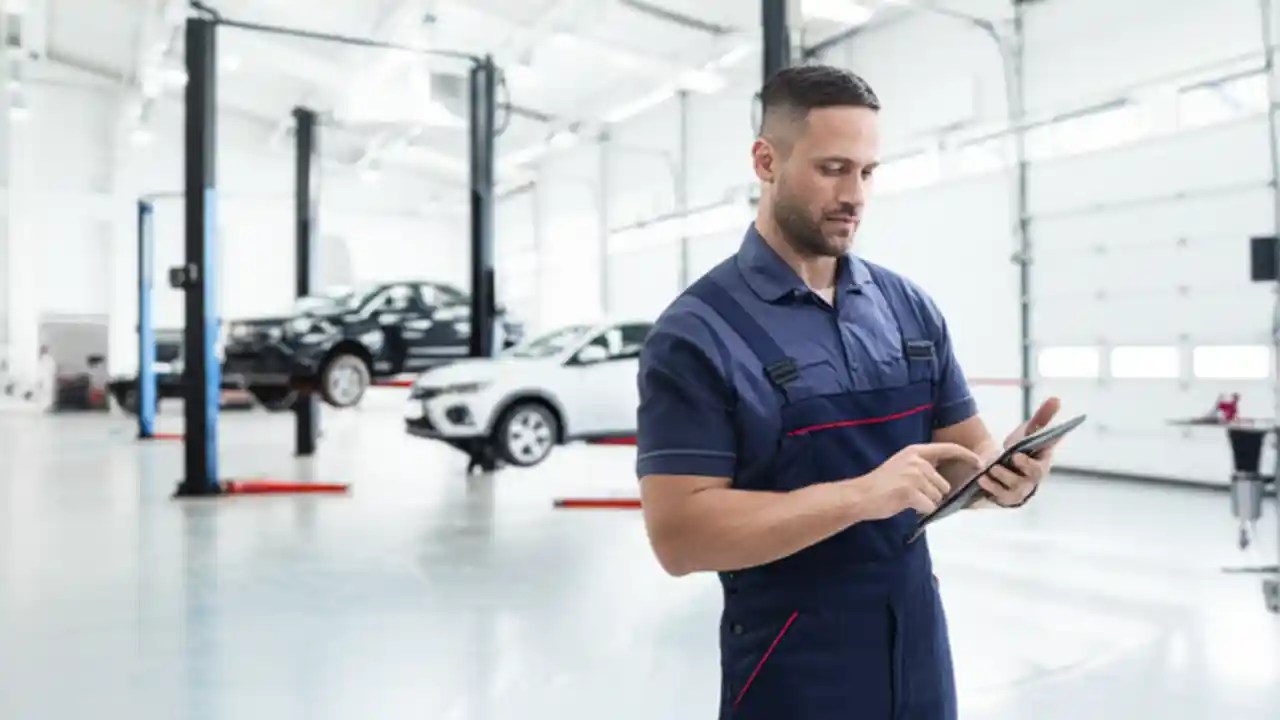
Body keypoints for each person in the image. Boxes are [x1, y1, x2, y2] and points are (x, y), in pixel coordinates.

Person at [635, 64, 1063, 720]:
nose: (855, 194)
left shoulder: (907, 307)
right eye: (833, 168)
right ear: (765, 161)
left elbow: (964, 454)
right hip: (792, 663)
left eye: (867, 172)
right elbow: (680, 536)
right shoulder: (698, 333)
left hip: (916, 642)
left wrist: (1006, 479)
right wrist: (863, 497)